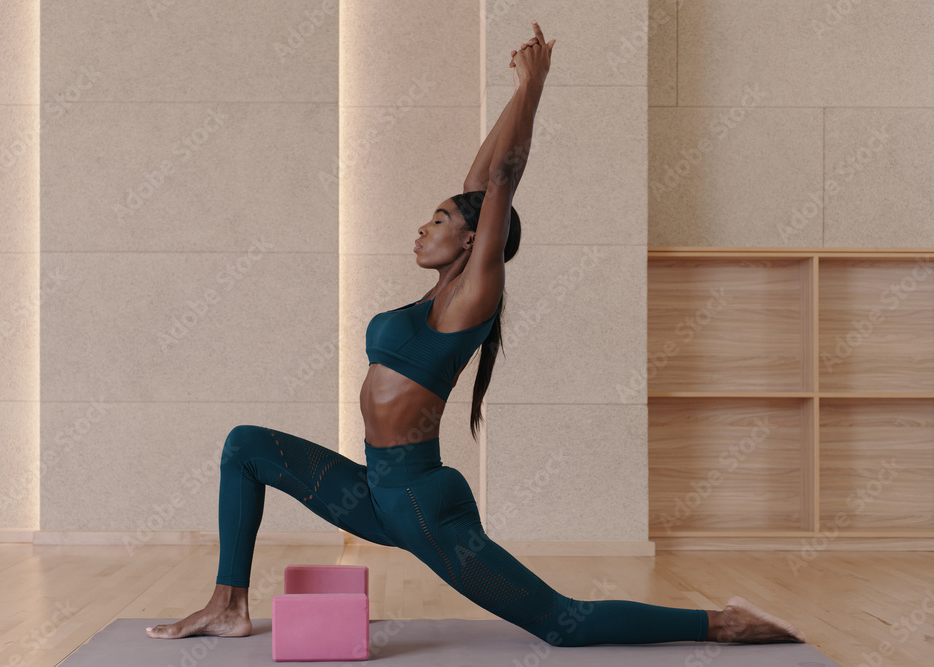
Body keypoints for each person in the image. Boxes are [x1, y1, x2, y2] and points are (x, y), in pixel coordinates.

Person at [146, 20, 807, 647]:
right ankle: (228, 603)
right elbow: (477, 183)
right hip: (375, 490)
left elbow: (497, 181)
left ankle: (724, 624)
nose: (422, 228)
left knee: (560, 622)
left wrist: (531, 88)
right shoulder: (440, 290)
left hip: (417, 503)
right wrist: (506, 118)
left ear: (472, 241)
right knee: (245, 446)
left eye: (437, 221)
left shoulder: (472, 296)